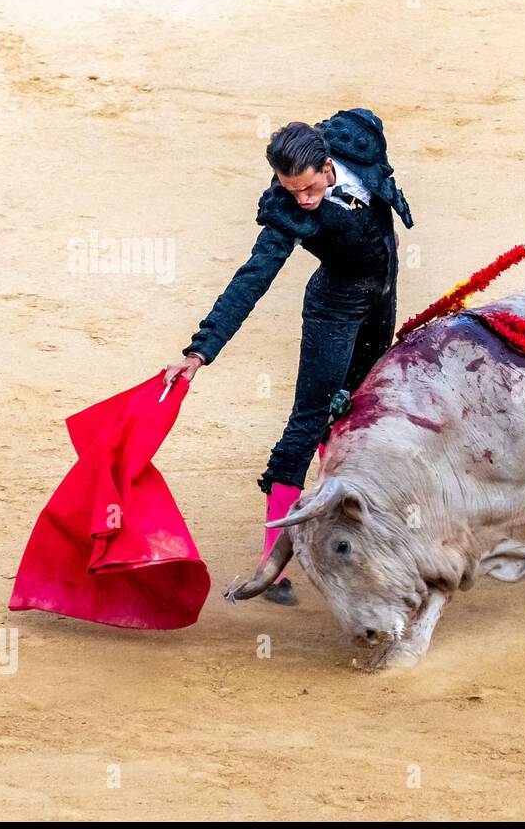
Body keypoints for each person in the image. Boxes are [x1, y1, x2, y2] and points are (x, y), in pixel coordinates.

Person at [163, 109, 414, 603]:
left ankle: (343, 512)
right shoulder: (286, 210)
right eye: (291, 190)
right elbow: (251, 279)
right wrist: (200, 351)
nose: (302, 200)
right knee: (309, 422)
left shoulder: (356, 140)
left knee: (361, 410)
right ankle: (271, 566)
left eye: (309, 189)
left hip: (381, 299)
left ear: (326, 165)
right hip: (333, 312)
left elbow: (369, 122)